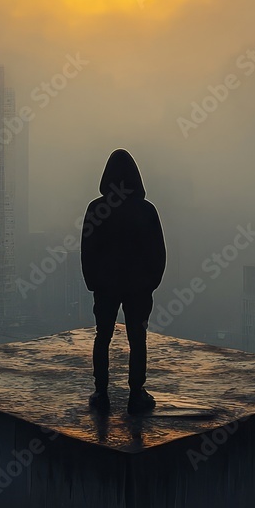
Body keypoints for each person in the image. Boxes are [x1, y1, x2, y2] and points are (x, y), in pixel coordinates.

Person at [81, 149, 166, 414]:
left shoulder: (97, 208)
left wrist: (93, 282)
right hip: (138, 287)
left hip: (105, 286)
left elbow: (87, 248)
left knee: (102, 336)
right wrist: (151, 282)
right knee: (138, 339)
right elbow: (158, 252)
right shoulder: (146, 210)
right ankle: (136, 394)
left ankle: (101, 392)